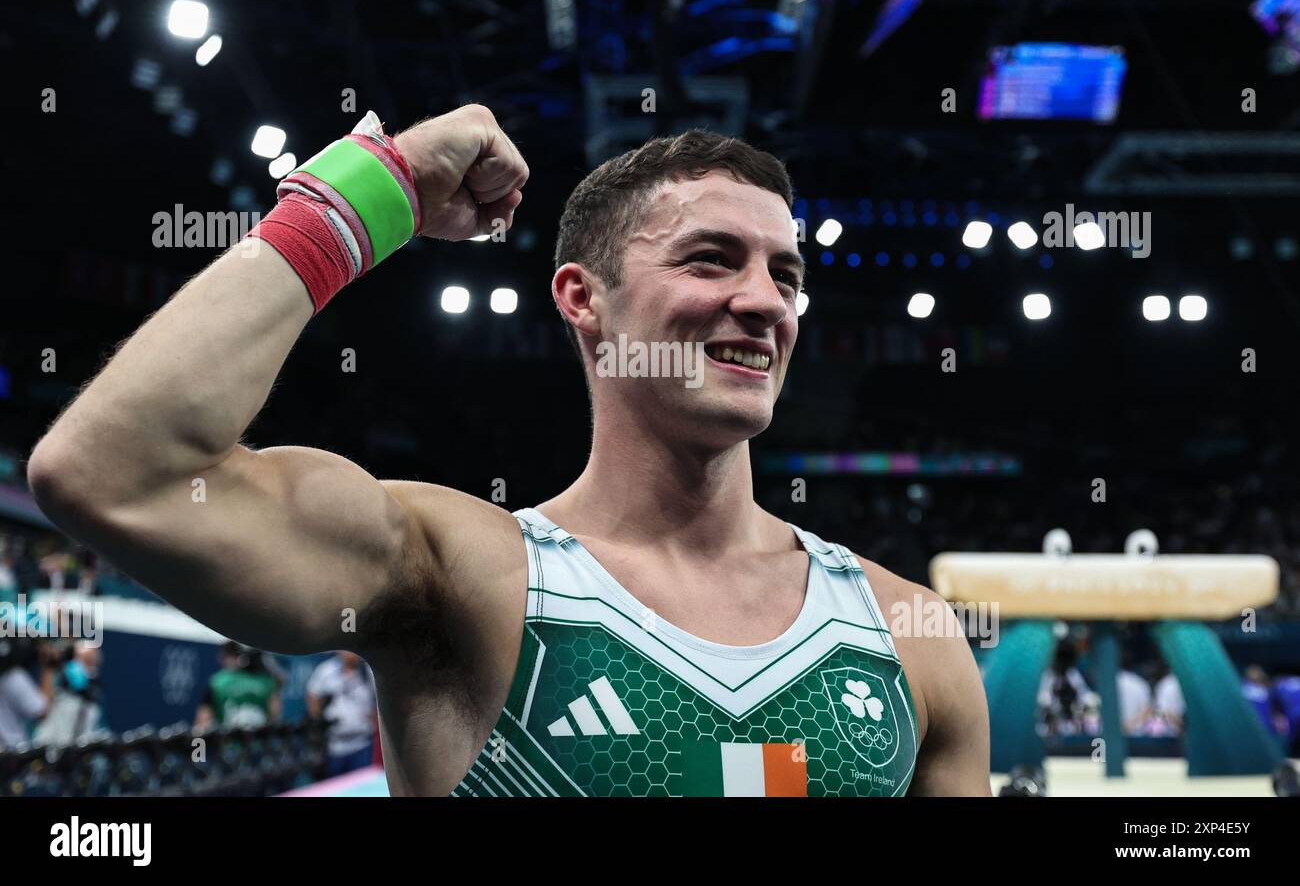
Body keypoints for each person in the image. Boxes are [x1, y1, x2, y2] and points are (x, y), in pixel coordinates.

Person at [27, 104, 990, 795]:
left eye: (786, 275)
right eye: (710, 259)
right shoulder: (457, 575)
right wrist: (371, 193)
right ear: (584, 299)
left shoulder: (911, 635)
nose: (764, 302)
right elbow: (114, 473)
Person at [305, 651, 377, 777]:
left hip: (362, 743)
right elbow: (312, 694)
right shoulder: (326, 670)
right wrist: (319, 718)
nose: (350, 653)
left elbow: (382, 698)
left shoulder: (368, 672)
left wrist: (374, 716)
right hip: (335, 745)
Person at [194, 640, 282, 730]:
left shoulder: (217, 682)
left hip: (227, 741)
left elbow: (202, 724)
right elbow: (275, 715)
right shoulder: (267, 682)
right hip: (258, 741)